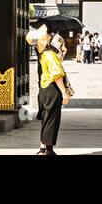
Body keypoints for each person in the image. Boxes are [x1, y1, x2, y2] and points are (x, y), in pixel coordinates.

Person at [28, 24, 70, 155]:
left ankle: (42, 149)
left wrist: (62, 54)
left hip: (44, 89)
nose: (49, 35)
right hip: (52, 90)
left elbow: (54, 66)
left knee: (46, 119)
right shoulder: (49, 54)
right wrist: (64, 93)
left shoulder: (44, 54)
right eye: (46, 35)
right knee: (52, 120)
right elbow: (57, 75)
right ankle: (49, 150)